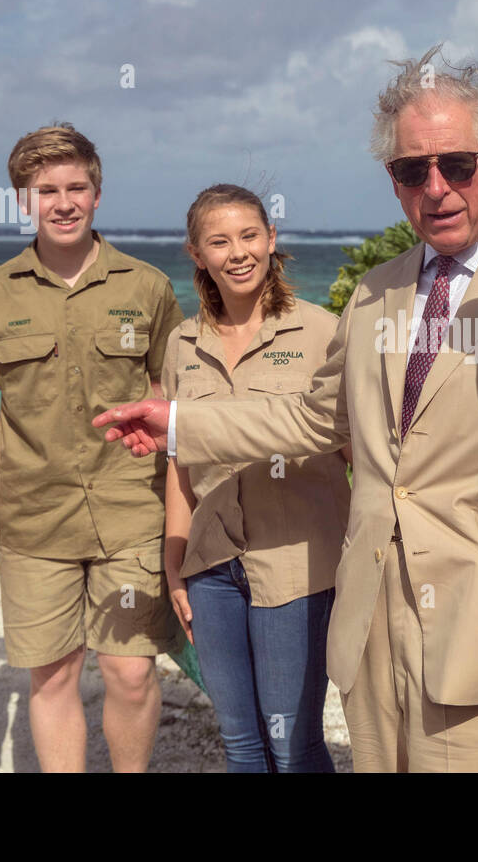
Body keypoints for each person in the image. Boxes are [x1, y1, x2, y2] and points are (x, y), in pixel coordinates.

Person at [97, 46, 478, 772]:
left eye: (455, 164)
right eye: (410, 169)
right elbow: (311, 419)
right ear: (392, 182)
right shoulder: (374, 293)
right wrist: (177, 422)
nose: (436, 187)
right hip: (373, 636)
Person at [0, 123, 183, 772]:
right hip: (33, 518)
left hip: (131, 510)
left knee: (129, 672)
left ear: (99, 194)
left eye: (77, 186)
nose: (64, 201)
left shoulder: (149, 288)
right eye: (46, 190)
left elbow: (173, 396)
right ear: (24, 200)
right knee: (51, 678)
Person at [163, 183, 350, 772]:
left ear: (272, 241)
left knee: (294, 746)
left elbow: (356, 454)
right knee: (241, 744)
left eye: (249, 236)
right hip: (212, 566)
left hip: (298, 564)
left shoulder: (323, 332)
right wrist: (174, 564)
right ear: (196, 254)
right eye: (219, 241)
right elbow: (179, 462)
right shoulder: (180, 345)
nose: (237, 252)